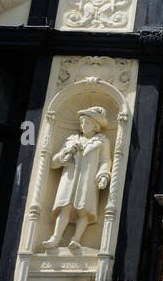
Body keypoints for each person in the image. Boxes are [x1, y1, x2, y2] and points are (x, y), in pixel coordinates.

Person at [42, 106, 112, 251]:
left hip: (88, 180)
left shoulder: (102, 141)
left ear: (95, 125)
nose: (83, 125)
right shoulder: (71, 140)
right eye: (81, 123)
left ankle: (76, 239)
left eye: (86, 122)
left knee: (83, 210)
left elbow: (105, 160)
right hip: (69, 179)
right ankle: (56, 237)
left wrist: (103, 175)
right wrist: (65, 154)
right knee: (64, 207)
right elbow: (54, 163)